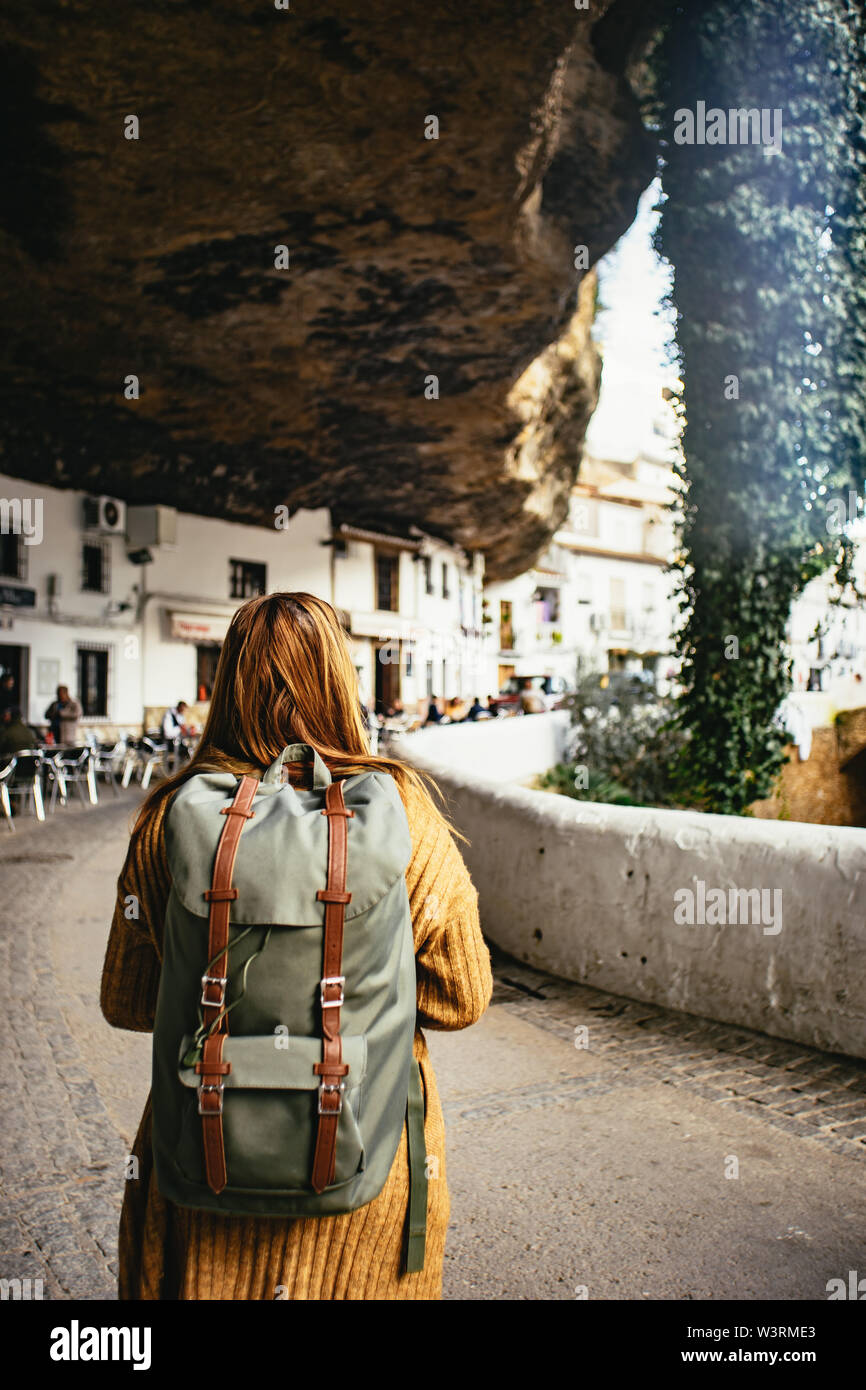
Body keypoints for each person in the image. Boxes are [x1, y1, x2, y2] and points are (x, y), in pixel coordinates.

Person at [100, 592, 492, 1301]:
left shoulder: (166, 819)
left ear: (226, 687)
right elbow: (463, 997)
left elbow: (126, 1002)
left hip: (202, 1156)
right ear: (341, 679)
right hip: (367, 1165)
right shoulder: (401, 808)